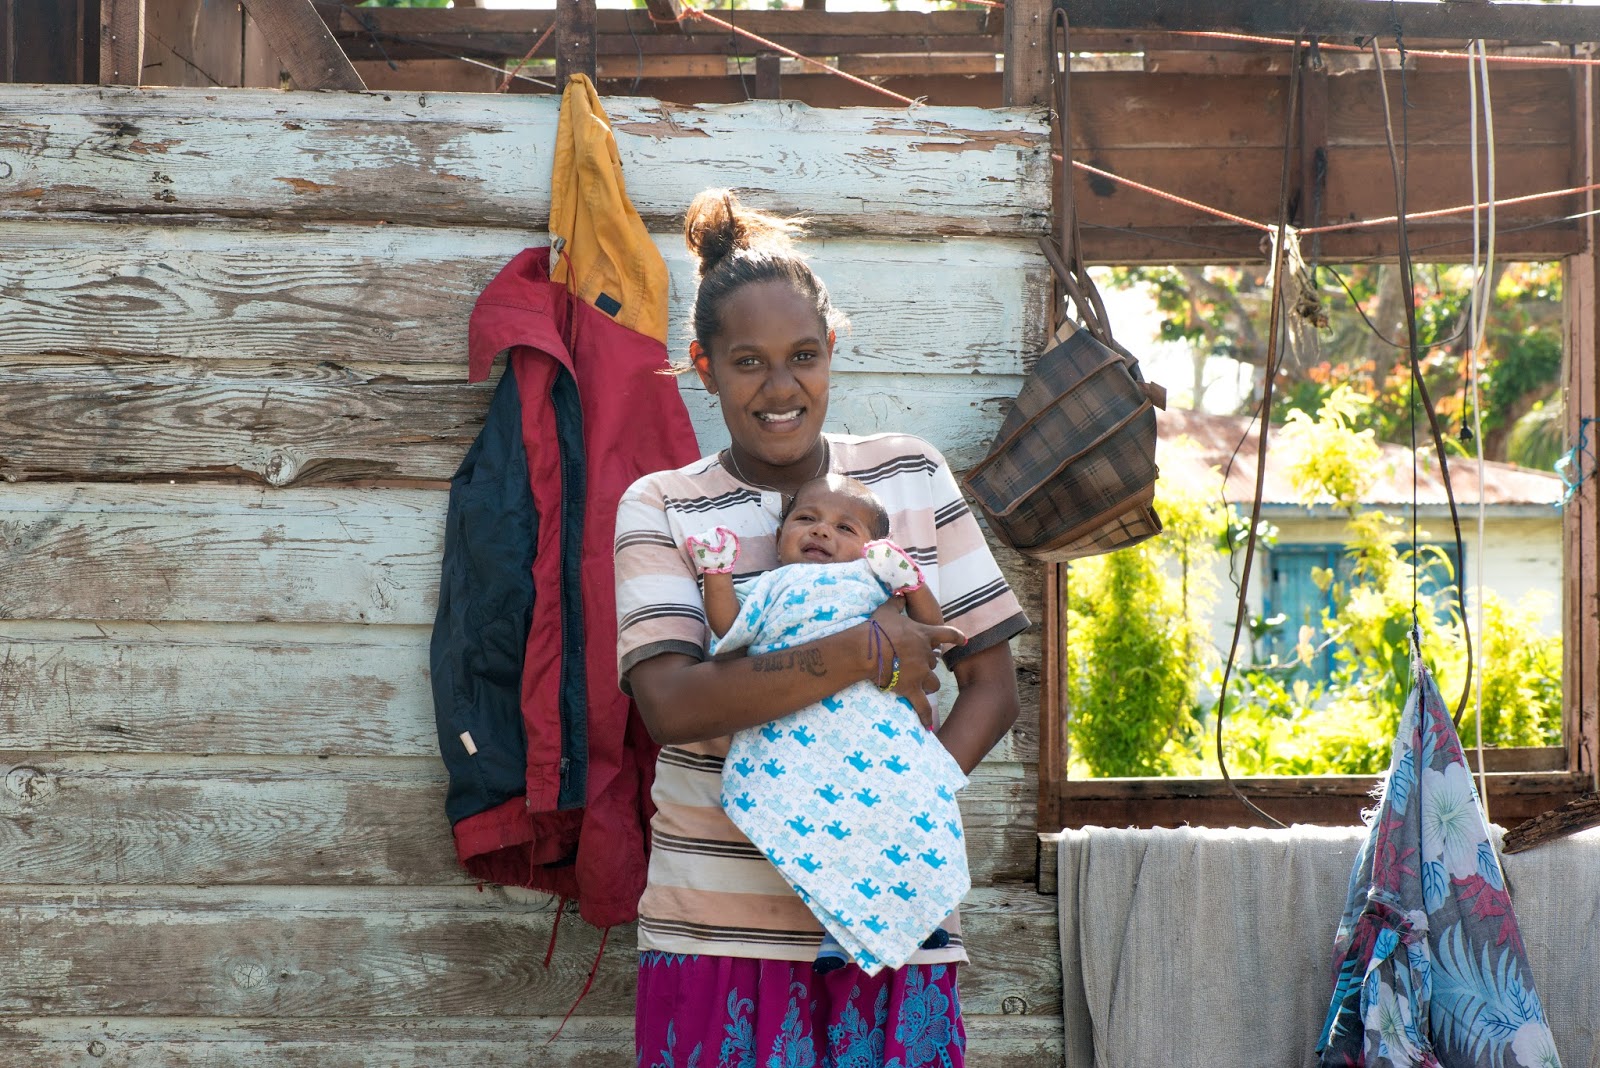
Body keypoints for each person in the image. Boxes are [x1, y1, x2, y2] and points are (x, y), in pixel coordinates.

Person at [615, 188, 1028, 1067]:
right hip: (717, 930)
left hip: (895, 921)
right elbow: (672, 706)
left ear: (832, 349)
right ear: (703, 367)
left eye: (803, 356)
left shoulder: (909, 477)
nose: (780, 388)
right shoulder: (663, 506)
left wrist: (907, 800)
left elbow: (992, 686)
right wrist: (859, 652)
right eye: (748, 363)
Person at [685, 474, 964, 976]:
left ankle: (916, 917)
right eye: (806, 519)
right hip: (796, 736)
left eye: (844, 527)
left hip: (876, 734)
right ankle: (839, 932)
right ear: (779, 539)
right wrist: (717, 573)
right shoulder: (772, 585)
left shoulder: (875, 583)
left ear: (873, 549)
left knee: (902, 816)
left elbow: (929, 629)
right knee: (820, 833)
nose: (821, 531)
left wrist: (909, 582)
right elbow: (728, 628)